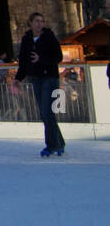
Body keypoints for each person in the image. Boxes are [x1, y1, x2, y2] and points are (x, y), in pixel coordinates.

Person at [16, 12, 65, 156]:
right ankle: (59, 143)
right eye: (37, 21)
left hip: (49, 78)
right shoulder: (26, 39)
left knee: (46, 112)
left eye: (42, 21)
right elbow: (24, 62)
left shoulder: (49, 37)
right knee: (46, 114)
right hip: (36, 79)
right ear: (30, 23)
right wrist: (18, 78)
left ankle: (51, 145)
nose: (40, 24)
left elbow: (58, 57)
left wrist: (41, 58)